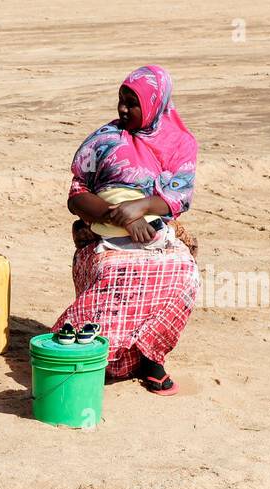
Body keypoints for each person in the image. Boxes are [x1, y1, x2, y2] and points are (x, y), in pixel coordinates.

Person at [57, 64, 200, 395]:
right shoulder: (104, 140)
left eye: (132, 103)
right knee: (115, 270)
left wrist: (143, 208)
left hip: (154, 233)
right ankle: (94, 354)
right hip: (103, 234)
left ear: (154, 103)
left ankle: (152, 357)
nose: (123, 109)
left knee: (182, 271)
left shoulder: (180, 143)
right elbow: (76, 196)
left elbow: (179, 195)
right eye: (121, 100)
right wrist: (119, 216)